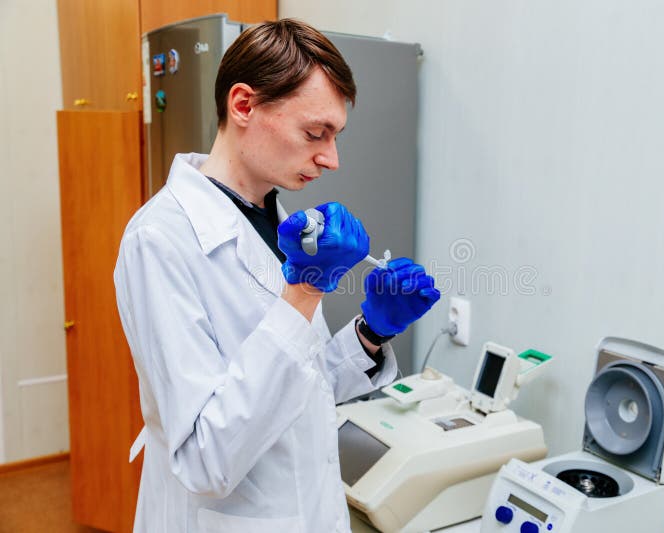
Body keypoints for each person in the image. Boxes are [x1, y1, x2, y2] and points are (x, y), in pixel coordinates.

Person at [114, 19, 440, 533]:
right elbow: (205, 459)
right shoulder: (159, 240)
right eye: (316, 133)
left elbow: (299, 391)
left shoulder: (272, 217)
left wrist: (371, 333)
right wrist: (305, 291)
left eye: (335, 135)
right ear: (243, 106)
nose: (331, 158)